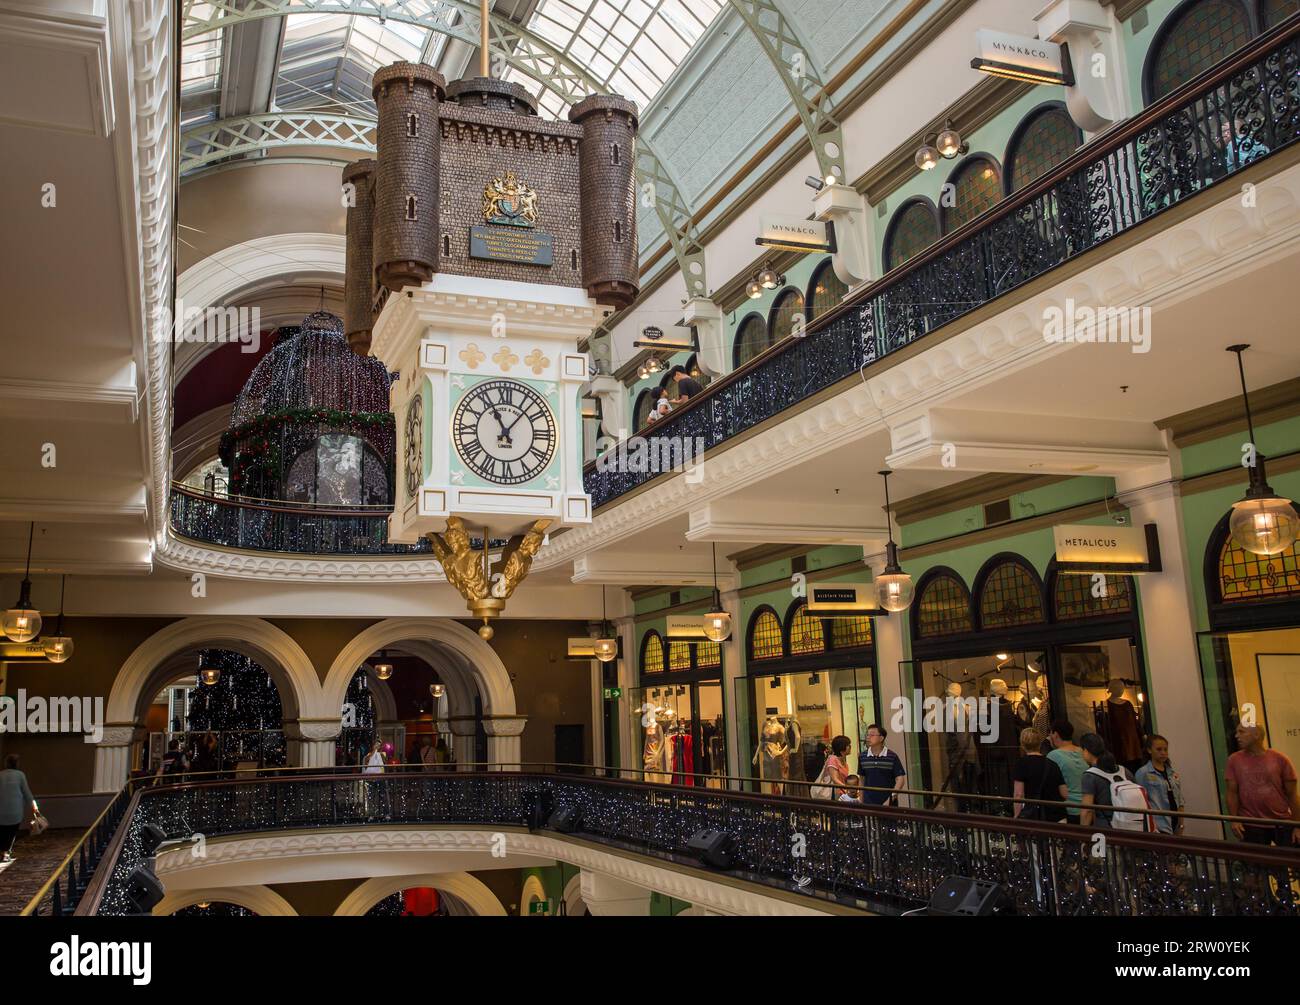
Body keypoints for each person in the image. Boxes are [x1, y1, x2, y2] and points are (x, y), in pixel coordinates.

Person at [1226, 722, 1300, 846]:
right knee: (1258, 862)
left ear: (1256, 735)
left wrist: (1297, 825)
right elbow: (1231, 793)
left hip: (1281, 822)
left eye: (1242, 732)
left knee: (1291, 859)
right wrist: (1235, 820)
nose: (1236, 736)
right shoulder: (1234, 760)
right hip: (1251, 823)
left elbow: (1292, 795)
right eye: (1237, 732)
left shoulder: (1280, 759)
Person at [1079, 732, 1144, 830]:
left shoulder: (1090, 775)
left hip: (1107, 828)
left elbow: (1087, 810)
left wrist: (1082, 834)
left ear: (1086, 751)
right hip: (1133, 826)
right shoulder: (1124, 771)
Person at [1012, 727, 1067, 821]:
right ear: (1039, 743)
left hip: (1037, 816)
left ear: (1022, 744)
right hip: (1057, 814)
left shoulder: (1021, 764)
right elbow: (1064, 793)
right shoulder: (1052, 764)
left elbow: (1019, 794)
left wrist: (1017, 816)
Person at [1135, 734, 1185, 836]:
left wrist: (1181, 825)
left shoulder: (1172, 774)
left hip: (1175, 825)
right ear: (1149, 750)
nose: (1163, 753)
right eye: (1159, 749)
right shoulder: (1143, 773)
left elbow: (1180, 801)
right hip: (1158, 827)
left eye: (1165, 750)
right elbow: (1140, 801)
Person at [1047, 720, 1087, 823]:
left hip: (1069, 808)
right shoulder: (1083, 752)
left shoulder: (1053, 756)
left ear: (1055, 734)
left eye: (1050, 733)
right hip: (1087, 807)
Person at [857, 723, 906, 807]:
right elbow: (861, 779)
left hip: (888, 803)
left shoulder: (892, 756)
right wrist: (861, 800)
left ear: (881, 738)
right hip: (868, 802)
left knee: (889, 820)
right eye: (867, 735)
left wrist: (891, 798)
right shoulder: (862, 756)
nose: (868, 737)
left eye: (872, 735)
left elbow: (900, 779)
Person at [1, 754, 37, 863]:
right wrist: (34, 806)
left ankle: (2, 852)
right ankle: (5, 852)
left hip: (1, 810)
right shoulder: (20, 775)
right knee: (11, 832)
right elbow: (27, 793)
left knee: (1, 831)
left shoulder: (0, 775)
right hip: (15, 811)